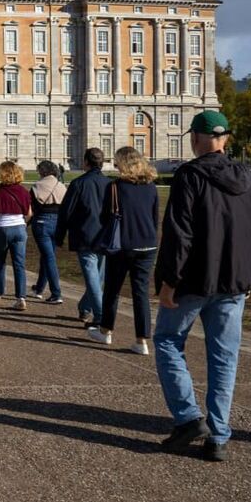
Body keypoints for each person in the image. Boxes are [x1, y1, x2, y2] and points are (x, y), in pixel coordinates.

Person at [154, 110, 251, 460]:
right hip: (234, 281)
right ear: (226, 139)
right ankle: (218, 435)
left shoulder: (189, 175)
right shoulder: (246, 175)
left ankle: (188, 418)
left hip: (194, 280)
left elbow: (179, 233)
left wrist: (169, 280)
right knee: (224, 358)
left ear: (196, 138)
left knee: (168, 342)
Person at [88, 146, 160, 355]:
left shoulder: (116, 187)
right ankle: (142, 340)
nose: (115, 165)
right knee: (141, 293)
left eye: (118, 162)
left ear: (123, 164)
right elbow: (155, 218)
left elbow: (106, 216)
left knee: (112, 290)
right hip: (147, 244)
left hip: (122, 245)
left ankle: (106, 330)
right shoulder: (151, 186)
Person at [55, 148, 111, 328]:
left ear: (86, 162)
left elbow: (66, 212)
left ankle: (100, 315)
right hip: (105, 236)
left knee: (93, 278)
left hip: (85, 235)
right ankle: (85, 307)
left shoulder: (78, 183)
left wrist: (59, 235)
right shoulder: (111, 183)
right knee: (98, 278)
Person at [0, 161, 33, 311]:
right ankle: (21, 297)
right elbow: (29, 213)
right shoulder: (24, 191)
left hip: (2, 228)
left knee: (0, 263)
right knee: (19, 264)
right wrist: (22, 224)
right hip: (19, 228)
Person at [29, 160, 67, 304]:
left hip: (41, 223)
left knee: (49, 257)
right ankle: (39, 288)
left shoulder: (36, 186)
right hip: (57, 223)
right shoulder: (62, 186)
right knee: (47, 256)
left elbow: (31, 209)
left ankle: (56, 293)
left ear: (42, 171)